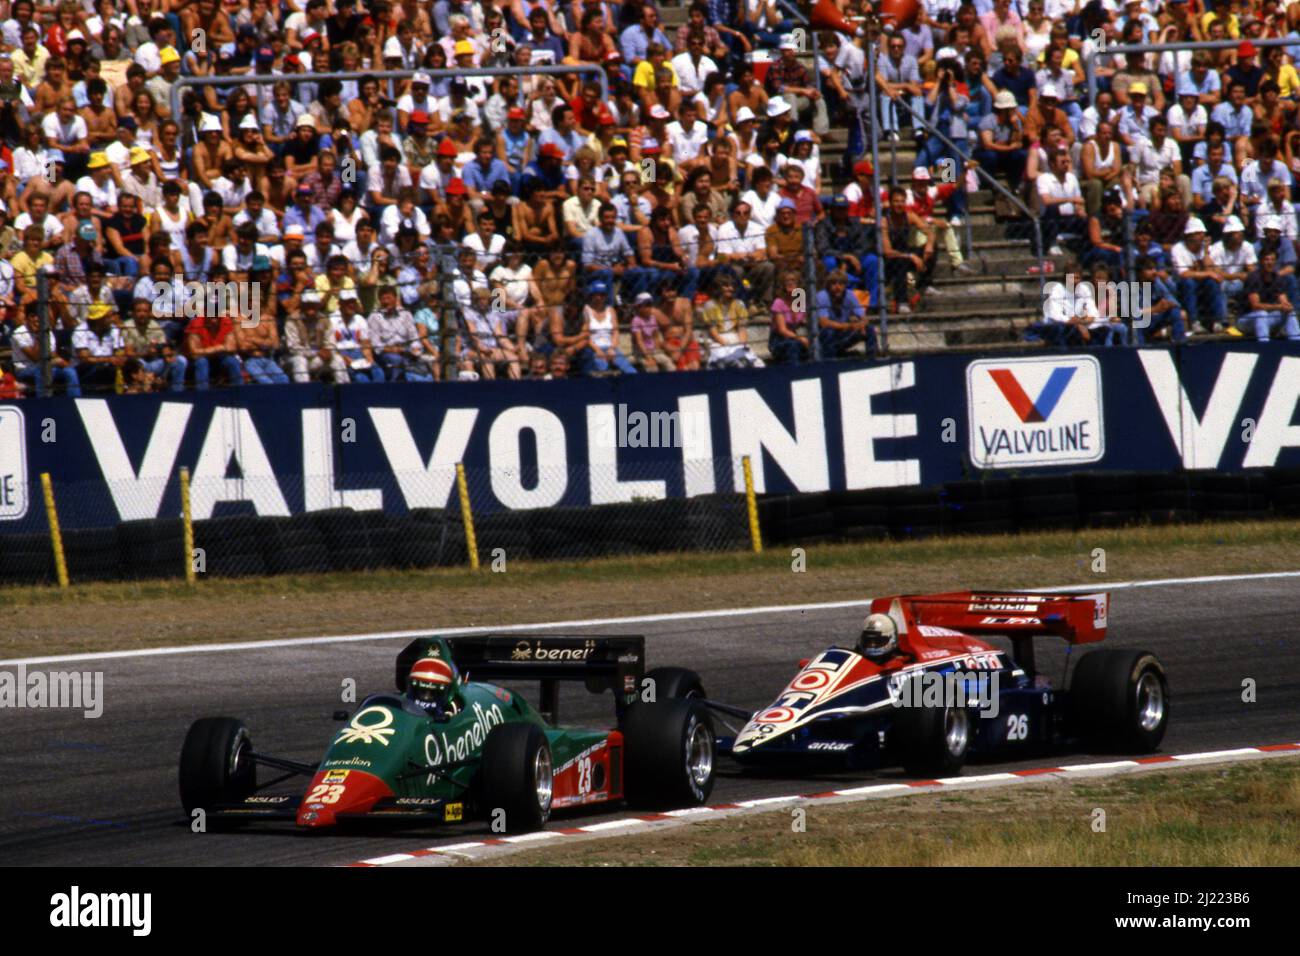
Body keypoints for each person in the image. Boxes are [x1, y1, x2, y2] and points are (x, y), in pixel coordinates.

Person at [1238, 249, 1300, 342]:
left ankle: (1296, 345)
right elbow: (1256, 306)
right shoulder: (1253, 278)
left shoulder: (1277, 277)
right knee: (1261, 314)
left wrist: (1287, 306)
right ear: (1261, 261)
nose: (1269, 262)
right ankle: (1265, 348)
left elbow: (1283, 300)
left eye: (1272, 260)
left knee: (1289, 312)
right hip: (1246, 320)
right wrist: (1279, 306)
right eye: (1267, 259)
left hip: (1268, 318)